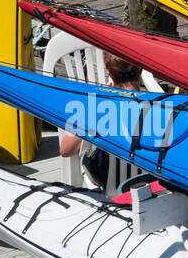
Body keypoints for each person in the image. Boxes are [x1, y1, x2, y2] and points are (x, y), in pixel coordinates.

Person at [59, 55, 142, 191]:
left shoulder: (95, 107)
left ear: (108, 73)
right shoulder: (158, 104)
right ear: (141, 71)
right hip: (147, 177)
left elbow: (66, 150)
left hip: (106, 179)